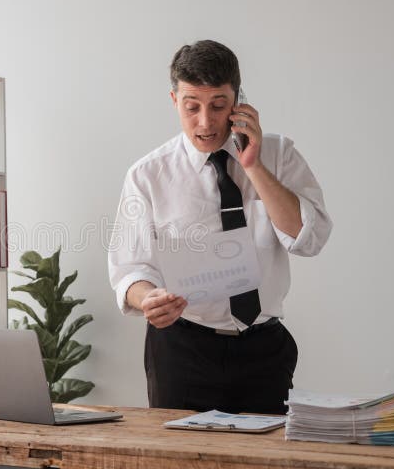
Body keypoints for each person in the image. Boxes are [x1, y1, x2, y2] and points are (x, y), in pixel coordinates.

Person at [108, 40, 332, 415]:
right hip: (182, 349)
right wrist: (147, 299)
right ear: (174, 100)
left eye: (218, 105)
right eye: (191, 106)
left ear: (238, 101)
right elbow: (130, 269)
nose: (205, 122)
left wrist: (254, 166)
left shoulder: (280, 155)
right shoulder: (147, 175)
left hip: (264, 350)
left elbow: (307, 239)